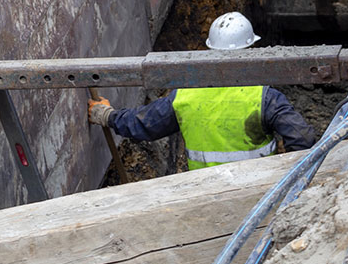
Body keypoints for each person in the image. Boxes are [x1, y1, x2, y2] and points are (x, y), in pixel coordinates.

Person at [87, 12, 318, 169]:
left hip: (203, 191)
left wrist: (106, 115)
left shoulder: (185, 96)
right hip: (258, 192)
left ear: (209, 50)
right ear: (251, 50)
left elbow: (143, 124)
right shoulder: (266, 98)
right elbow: (303, 139)